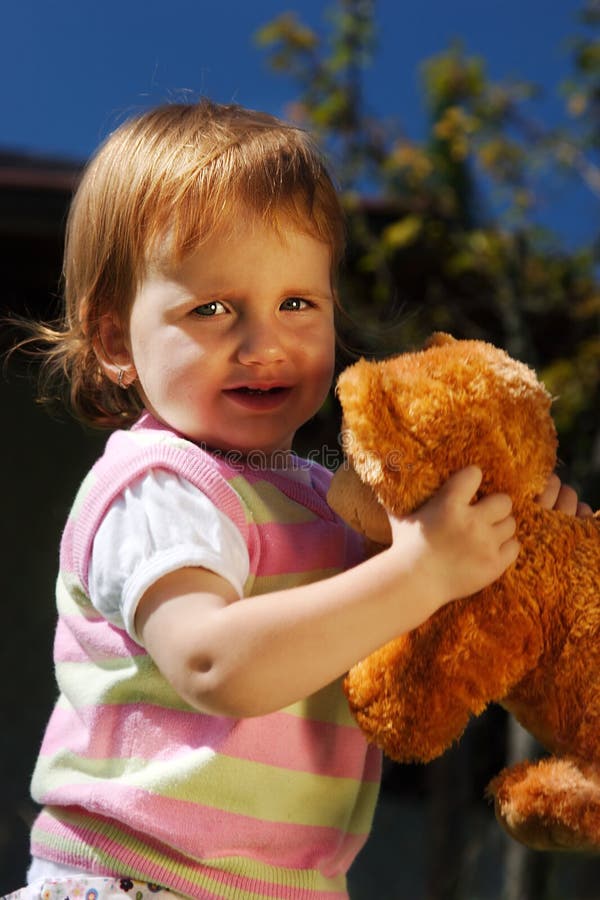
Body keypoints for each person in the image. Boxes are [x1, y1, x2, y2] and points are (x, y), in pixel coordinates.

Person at [7, 99, 591, 900]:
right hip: (136, 879)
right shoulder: (158, 485)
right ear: (114, 341)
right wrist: (422, 572)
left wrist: (511, 548)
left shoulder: (326, 500)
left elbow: (403, 632)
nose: (264, 343)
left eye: (296, 303)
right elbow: (213, 663)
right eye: (212, 309)